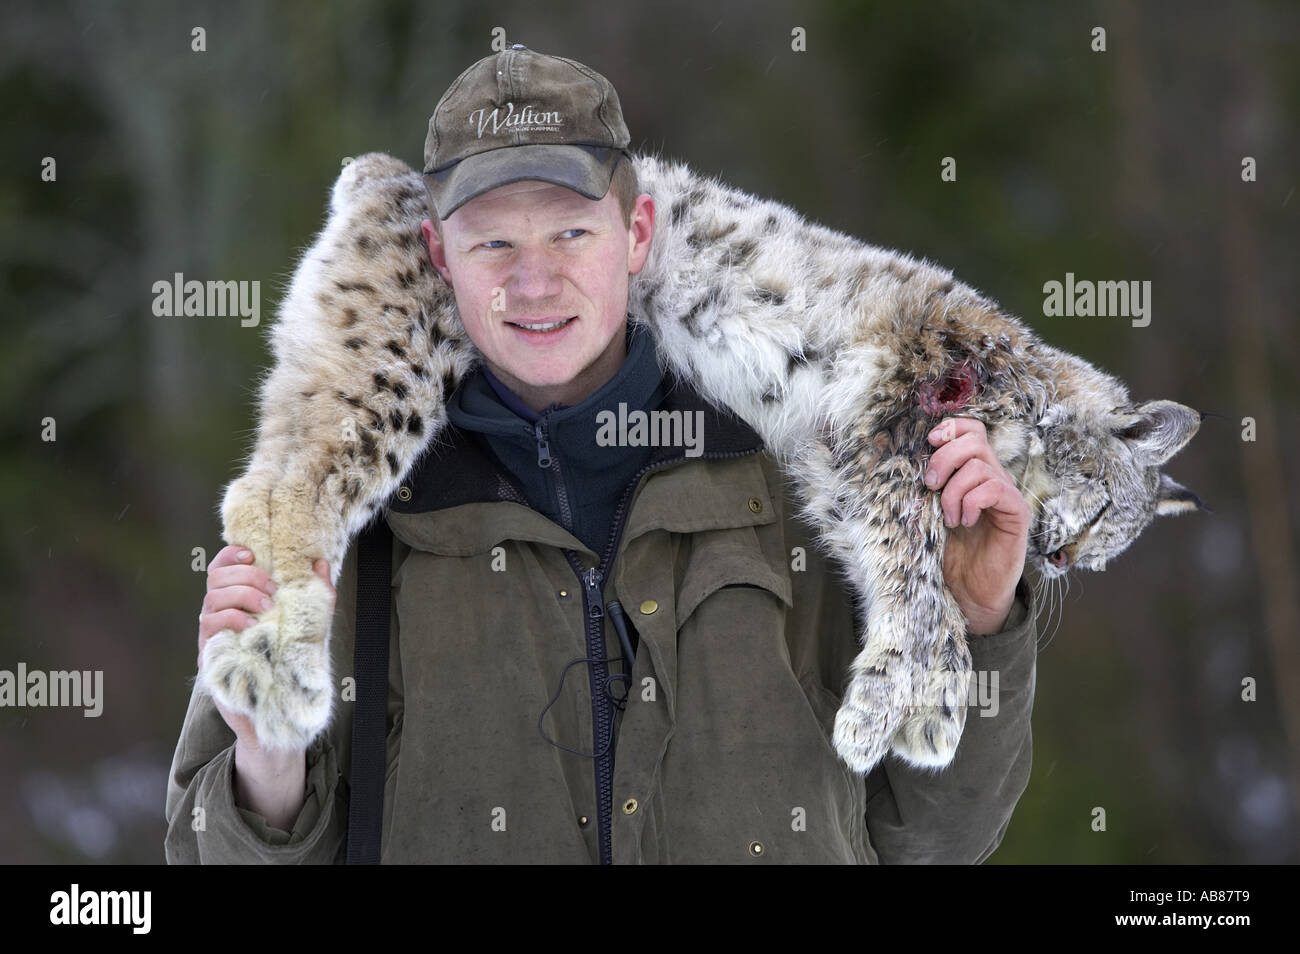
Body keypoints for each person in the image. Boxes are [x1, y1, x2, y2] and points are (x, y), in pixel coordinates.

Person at [165, 45, 1038, 864]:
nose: (533, 282)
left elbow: (931, 841)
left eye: (571, 234)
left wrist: (975, 622)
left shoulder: (804, 475)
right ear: (439, 254)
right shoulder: (343, 510)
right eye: (492, 242)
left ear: (639, 233)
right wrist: (266, 770)